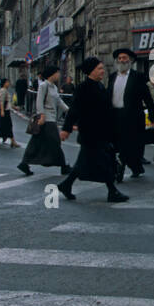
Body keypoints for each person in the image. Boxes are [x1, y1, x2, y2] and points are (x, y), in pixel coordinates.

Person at [58, 56, 128, 202]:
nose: (103, 71)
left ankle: (66, 184)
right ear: (91, 71)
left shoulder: (100, 86)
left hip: (101, 132)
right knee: (105, 161)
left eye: (102, 68)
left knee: (85, 162)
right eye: (100, 69)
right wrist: (66, 128)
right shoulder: (83, 88)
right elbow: (74, 110)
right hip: (90, 133)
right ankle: (112, 191)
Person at [108, 48, 154, 181]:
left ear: (130, 60)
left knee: (129, 144)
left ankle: (120, 169)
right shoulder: (112, 77)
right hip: (115, 115)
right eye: (119, 58)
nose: (121, 60)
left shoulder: (138, 76)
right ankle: (135, 167)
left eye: (124, 58)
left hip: (132, 117)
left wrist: (153, 114)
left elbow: (147, 97)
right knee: (117, 144)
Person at [19, 65, 69, 176]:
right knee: (55, 141)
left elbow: (59, 101)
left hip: (52, 117)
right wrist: (41, 115)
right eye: (58, 73)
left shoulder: (54, 87)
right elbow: (39, 101)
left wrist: (69, 111)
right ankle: (64, 166)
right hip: (46, 118)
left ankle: (24, 163)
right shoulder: (43, 86)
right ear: (53, 74)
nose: (59, 75)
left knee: (36, 142)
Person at [0, 77, 19, 148]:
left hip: (6, 110)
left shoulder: (5, 90)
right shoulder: (3, 90)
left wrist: (14, 107)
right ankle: (13, 141)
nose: (9, 84)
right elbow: (1, 101)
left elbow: (8, 102)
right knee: (8, 126)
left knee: (3, 126)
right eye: (7, 82)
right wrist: (2, 111)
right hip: (4, 111)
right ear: (4, 83)